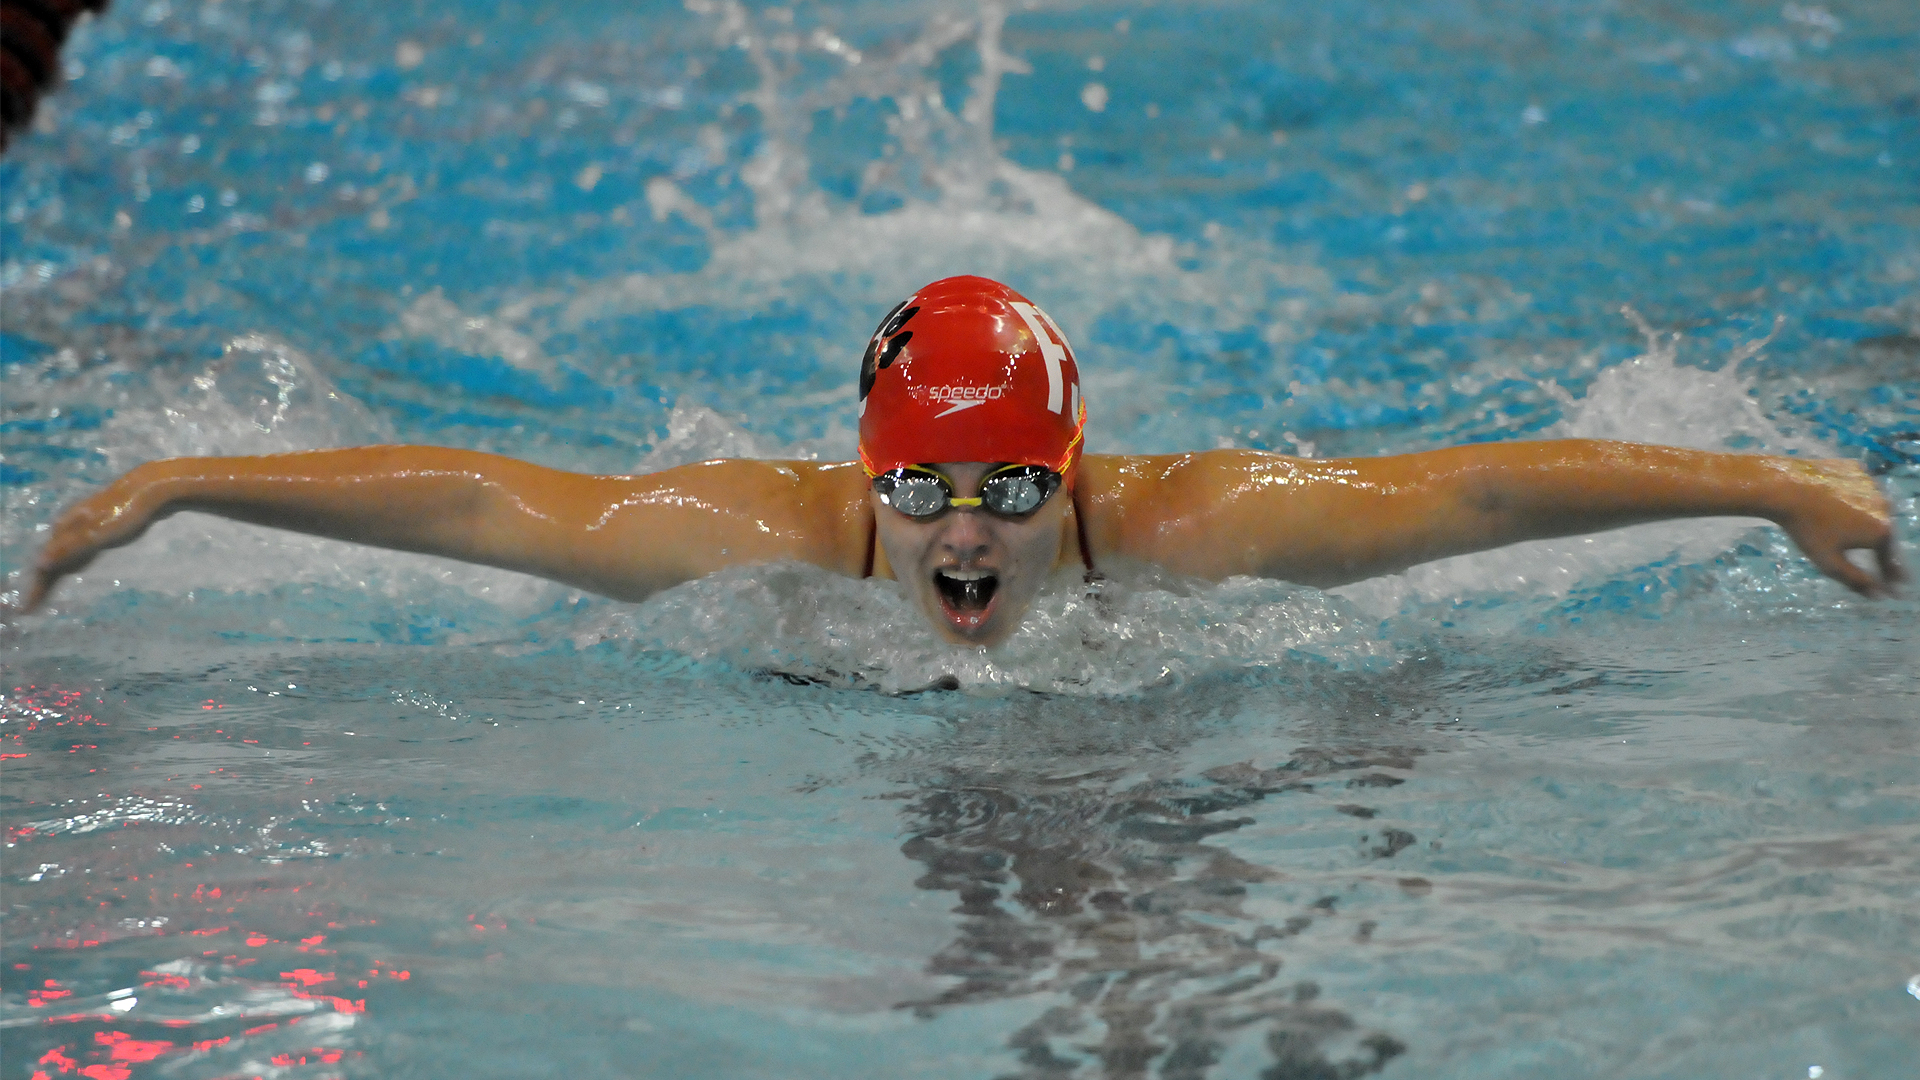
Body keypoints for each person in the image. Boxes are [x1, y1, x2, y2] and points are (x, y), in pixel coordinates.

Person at [18, 275, 1903, 645]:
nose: (971, 535)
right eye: (928, 492)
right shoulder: (766, 537)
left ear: (1079, 477)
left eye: (1012, 489)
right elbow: (489, 502)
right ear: (870, 485)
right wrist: (177, 485)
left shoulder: (1202, 525)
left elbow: (1480, 488)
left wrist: (1769, 482)